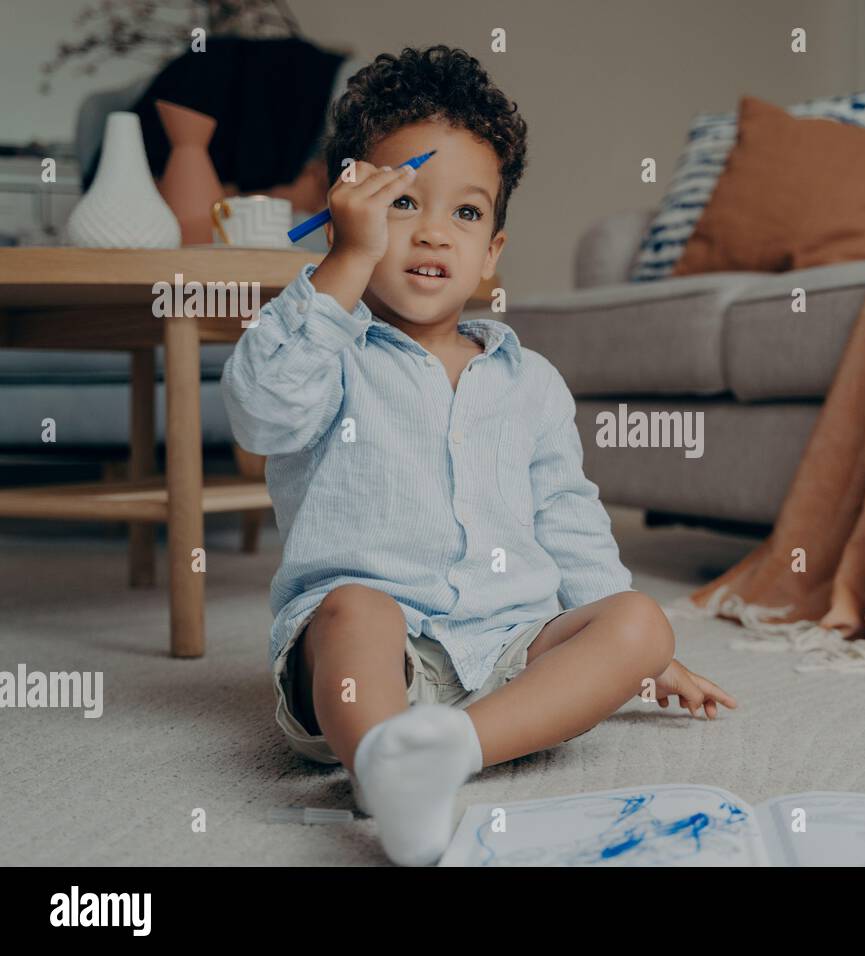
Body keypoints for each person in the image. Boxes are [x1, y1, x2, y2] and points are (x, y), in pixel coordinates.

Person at [221, 45, 736, 866]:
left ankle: (450, 748)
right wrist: (343, 263)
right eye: (402, 203)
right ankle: (382, 757)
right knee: (354, 608)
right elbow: (259, 413)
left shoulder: (531, 382)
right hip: (368, 656)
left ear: (493, 251)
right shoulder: (329, 351)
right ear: (350, 206)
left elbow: (568, 520)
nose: (432, 232)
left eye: (465, 214)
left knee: (639, 623)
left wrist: (642, 659)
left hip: (509, 651)